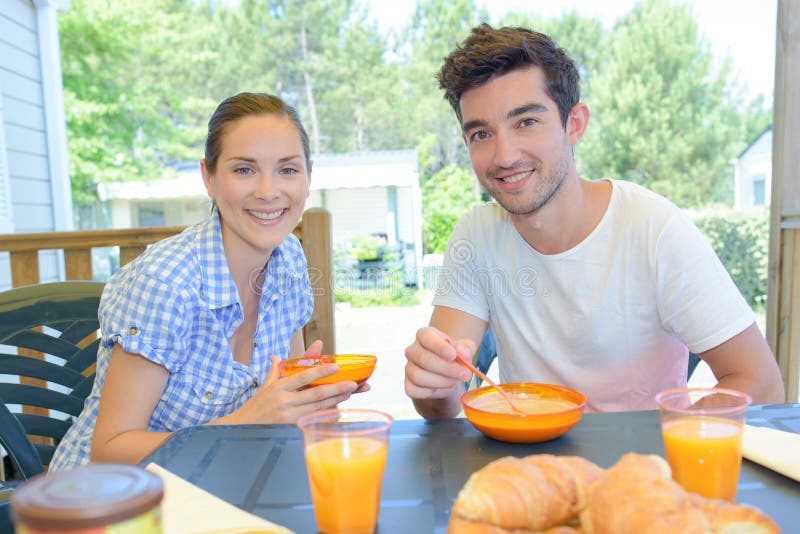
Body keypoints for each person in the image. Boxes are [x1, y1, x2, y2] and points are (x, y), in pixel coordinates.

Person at [404, 24, 785, 418]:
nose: (504, 155)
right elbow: (439, 405)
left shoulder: (654, 228)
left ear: (575, 124)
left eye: (526, 122)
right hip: (530, 467)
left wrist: (675, 436)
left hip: (640, 465)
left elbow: (761, 381)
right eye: (481, 133)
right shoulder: (477, 233)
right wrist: (434, 386)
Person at [51, 92, 364, 470]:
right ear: (209, 177)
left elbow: (284, 392)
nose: (268, 191)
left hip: (218, 480)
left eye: (287, 169)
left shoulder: (290, 262)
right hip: (106, 502)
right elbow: (110, 448)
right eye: (244, 169)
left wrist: (310, 397)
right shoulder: (165, 284)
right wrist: (247, 421)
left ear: (308, 177)